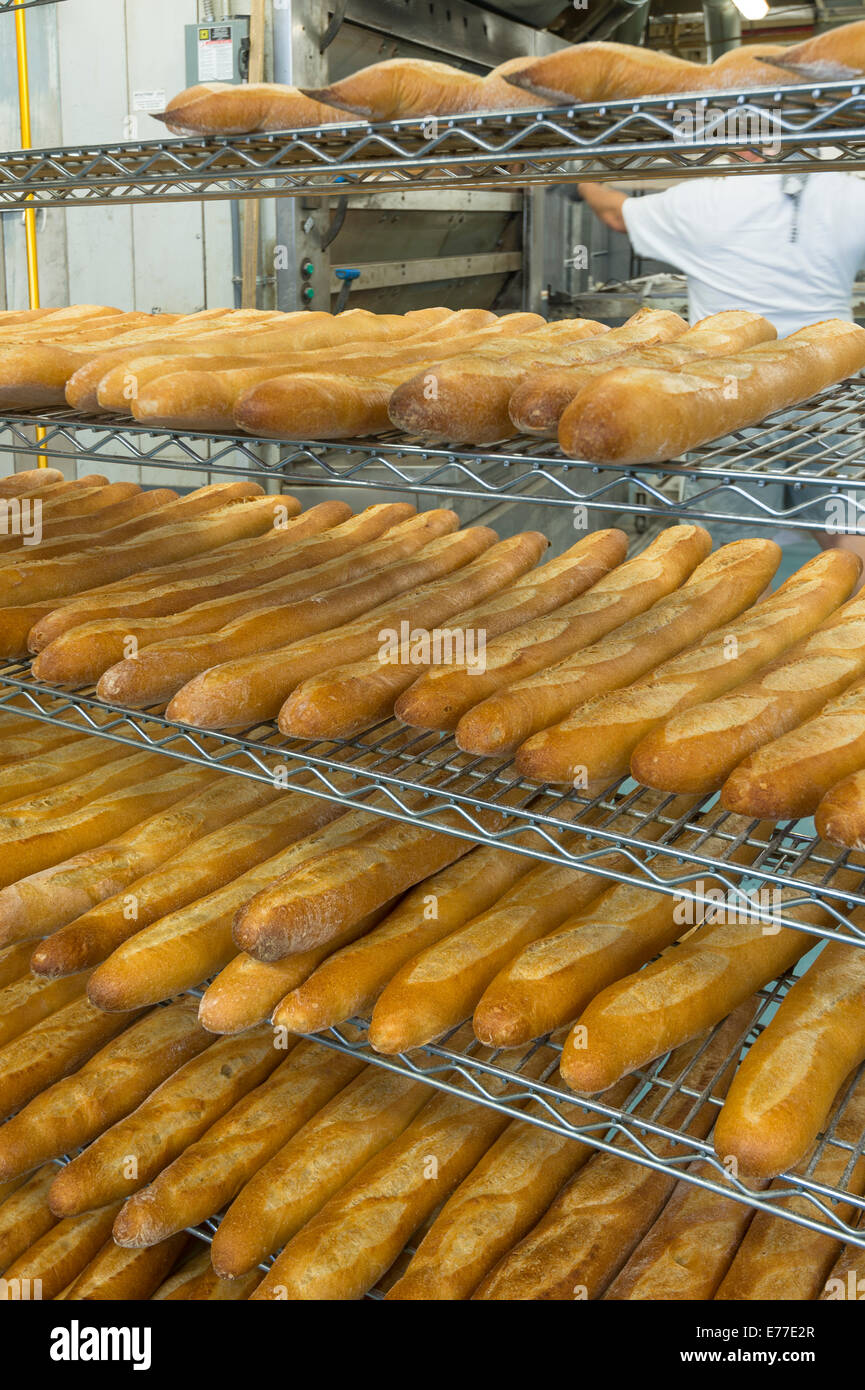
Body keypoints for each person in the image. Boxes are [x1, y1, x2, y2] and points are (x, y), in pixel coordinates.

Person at [576, 172, 865, 564]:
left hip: (731, 396)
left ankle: (744, 627)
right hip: (829, 392)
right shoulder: (849, 193)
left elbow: (615, 213)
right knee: (848, 534)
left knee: (735, 552)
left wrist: (580, 182)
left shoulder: (705, 199)